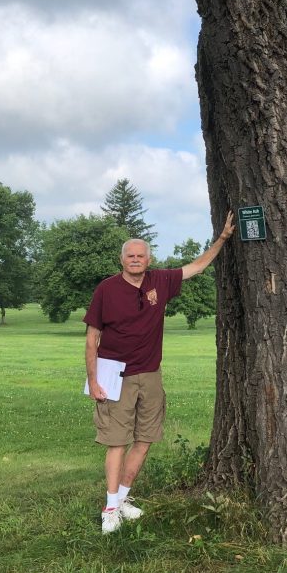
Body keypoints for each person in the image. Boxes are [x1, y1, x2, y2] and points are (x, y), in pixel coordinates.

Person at [83, 211, 235, 533]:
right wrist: (94, 380)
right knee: (116, 442)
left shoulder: (161, 281)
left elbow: (196, 267)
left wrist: (221, 239)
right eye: (130, 256)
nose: (135, 260)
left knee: (145, 438)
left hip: (150, 374)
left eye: (140, 255)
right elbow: (92, 338)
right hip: (115, 375)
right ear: (122, 259)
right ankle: (110, 508)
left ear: (148, 259)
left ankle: (123, 498)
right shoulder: (106, 290)